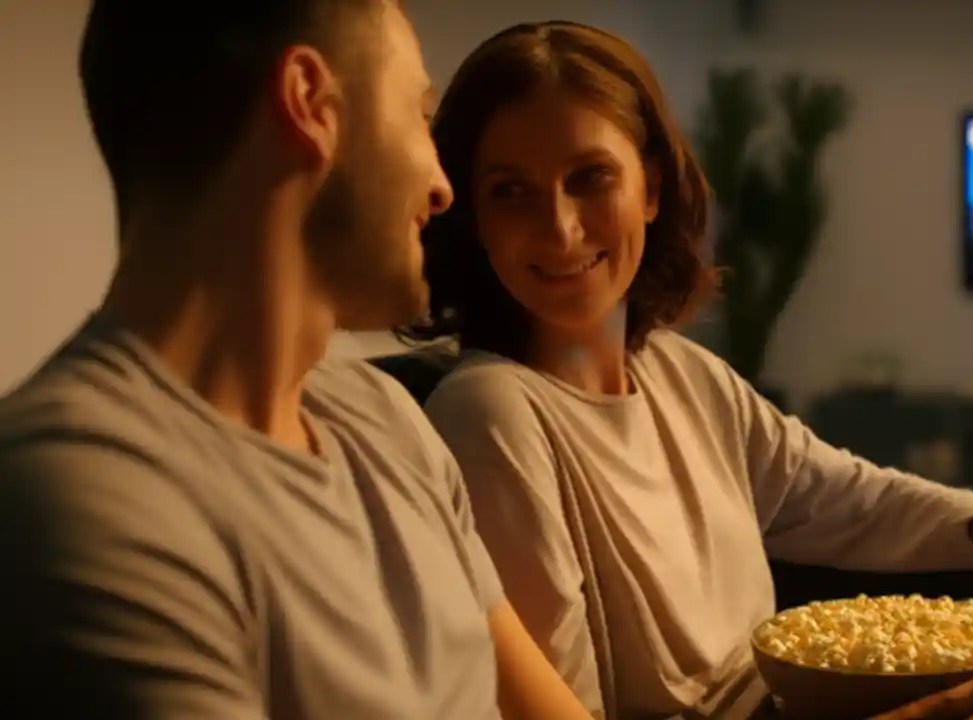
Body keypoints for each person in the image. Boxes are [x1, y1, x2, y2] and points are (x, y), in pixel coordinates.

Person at [409, 21, 973, 720]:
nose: (558, 229)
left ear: (653, 187)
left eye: (589, 176)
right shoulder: (492, 415)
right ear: (472, 218)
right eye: (511, 191)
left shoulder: (681, 375)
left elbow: (845, 495)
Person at [0, 3, 597, 718]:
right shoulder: (79, 500)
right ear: (309, 102)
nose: (441, 187)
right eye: (415, 115)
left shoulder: (384, 420)